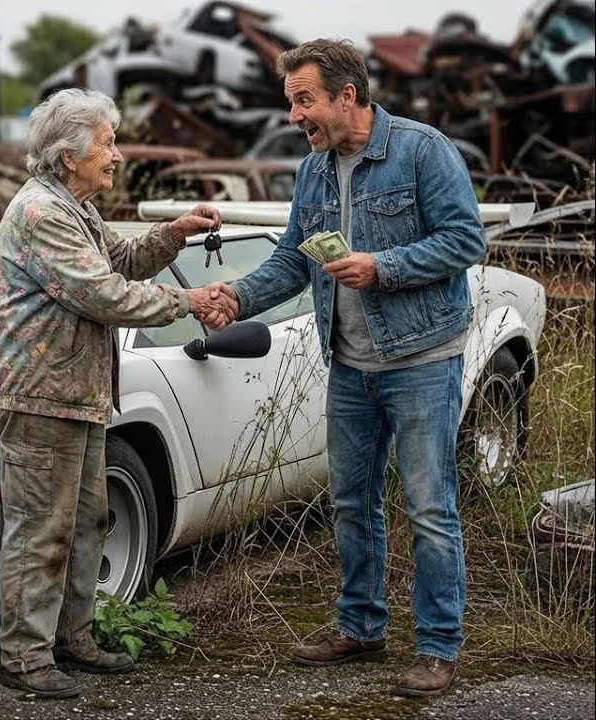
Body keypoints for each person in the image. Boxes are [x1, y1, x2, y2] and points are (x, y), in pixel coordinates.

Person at [204, 39, 485, 697]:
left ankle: (438, 648)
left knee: (428, 507)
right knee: (353, 501)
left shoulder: (422, 151)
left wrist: (382, 268)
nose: (297, 115)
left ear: (346, 95)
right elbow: (292, 260)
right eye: (292, 102)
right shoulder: (314, 171)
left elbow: (465, 239)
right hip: (350, 364)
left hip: (421, 360)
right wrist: (237, 296)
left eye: (305, 101)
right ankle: (360, 627)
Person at [0, 87, 235, 699]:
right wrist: (191, 300)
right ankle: (25, 656)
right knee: (42, 527)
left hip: (78, 391)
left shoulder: (75, 208)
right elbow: (105, 294)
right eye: (107, 143)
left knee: (88, 519)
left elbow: (121, 259)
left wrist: (173, 233)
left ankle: (74, 637)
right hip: (43, 397)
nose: (117, 155)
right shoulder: (42, 213)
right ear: (69, 156)